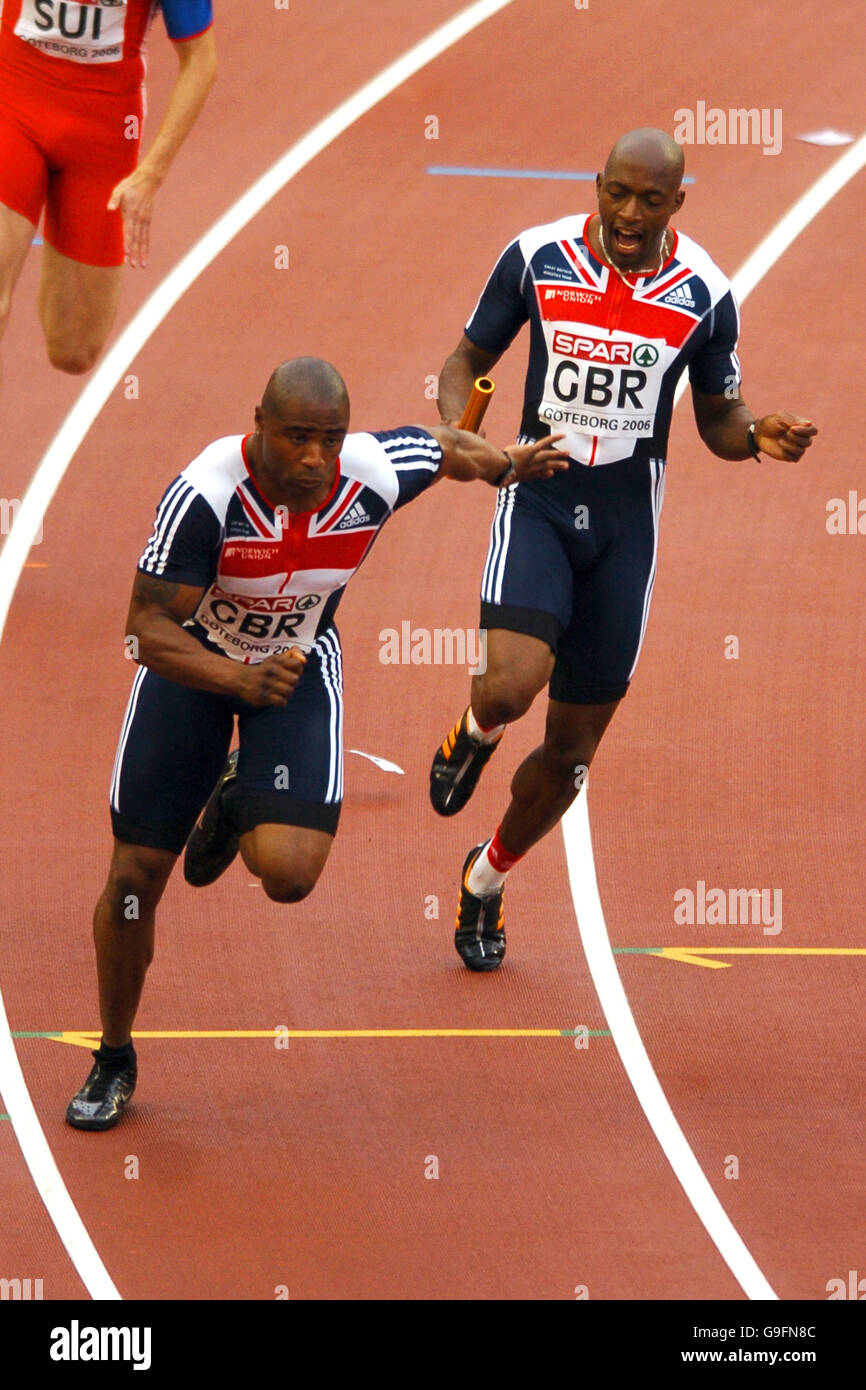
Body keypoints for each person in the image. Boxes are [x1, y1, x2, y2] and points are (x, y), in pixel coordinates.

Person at [65, 356, 569, 1130]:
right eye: (296, 438)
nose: (313, 458)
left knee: (291, 876)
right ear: (258, 425)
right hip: (194, 668)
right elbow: (143, 632)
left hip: (298, 664)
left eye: (328, 440)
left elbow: (446, 447)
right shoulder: (207, 495)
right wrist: (237, 682)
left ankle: (235, 797)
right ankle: (114, 1054)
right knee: (136, 879)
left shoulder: (366, 471)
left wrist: (507, 464)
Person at [429, 127, 818, 973]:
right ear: (597, 186)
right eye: (618, 194)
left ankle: (487, 879)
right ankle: (477, 727)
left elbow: (718, 416)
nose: (630, 214)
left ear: (679, 203)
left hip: (623, 529)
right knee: (510, 685)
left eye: (651, 200)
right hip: (537, 494)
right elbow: (464, 360)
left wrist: (757, 435)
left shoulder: (705, 291)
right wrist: (461, 432)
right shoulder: (537, 257)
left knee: (570, 762)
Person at [0, 1, 216, 383]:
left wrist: (152, 173)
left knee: (75, 348)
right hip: (12, 97)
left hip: (104, 126)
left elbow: (200, 60)